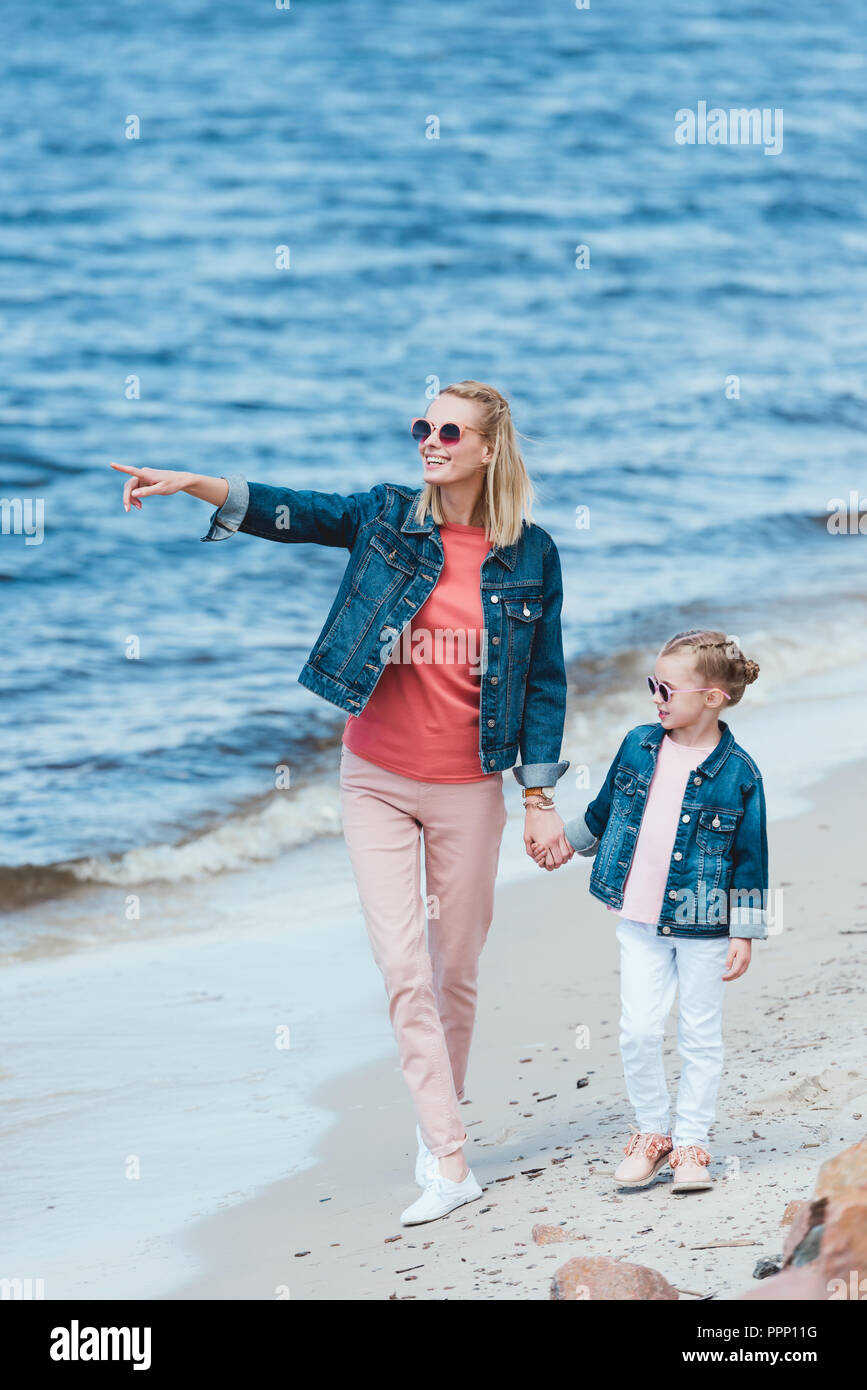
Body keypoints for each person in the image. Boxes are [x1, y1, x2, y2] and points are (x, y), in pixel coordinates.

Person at [111, 379, 575, 1224]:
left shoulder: (530, 553)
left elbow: (543, 682)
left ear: (487, 448)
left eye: (447, 431)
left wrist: (538, 795)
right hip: (374, 778)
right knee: (403, 971)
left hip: (469, 787)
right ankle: (449, 1158)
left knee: (454, 971)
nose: (428, 441)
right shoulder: (387, 515)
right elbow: (296, 510)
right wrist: (194, 484)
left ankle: (440, 1124)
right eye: (420, 427)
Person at [554, 630, 768, 1194]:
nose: (656, 696)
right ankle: (653, 1133)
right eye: (652, 684)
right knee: (638, 1031)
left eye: (666, 688)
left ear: (713, 697)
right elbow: (604, 810)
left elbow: (751, 856)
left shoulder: (739, 772)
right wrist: (564, 841)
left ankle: (692, 1142)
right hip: (638, 918)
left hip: (705, 923)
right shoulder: (639, 744)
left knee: (699, 1035)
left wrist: (744, 931)